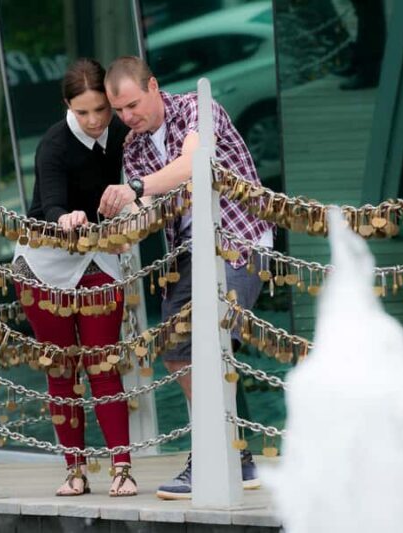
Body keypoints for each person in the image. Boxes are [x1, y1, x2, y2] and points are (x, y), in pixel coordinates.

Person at [98, 56, 275, 499]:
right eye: (119, 111)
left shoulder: (199, 107)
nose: (127, 118)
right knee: (177, 348)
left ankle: (213, 453)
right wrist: (118, 231)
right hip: (193, 252)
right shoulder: (133, 146)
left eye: (133, 105)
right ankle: (236, 456)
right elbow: (149, 209)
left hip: (240, 241)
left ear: (154, 86)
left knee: (212, 344)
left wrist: (136, 189)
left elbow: (194, 164)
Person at [12, 58, 137, 497]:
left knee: (104, 363)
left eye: (101, 109)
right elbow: (49, 207)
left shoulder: (123, 132)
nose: (94, 120)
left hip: (98, 257)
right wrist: (68, 217)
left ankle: (122, 469)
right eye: (83, 111)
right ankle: (75, 471)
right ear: (67, 105)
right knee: (61, 369)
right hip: (46, 264)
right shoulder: (53, 144)